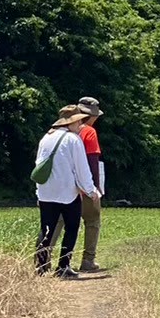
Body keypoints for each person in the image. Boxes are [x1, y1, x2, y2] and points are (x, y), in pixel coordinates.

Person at [34, 105, 100, 278]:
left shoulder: (46, 137)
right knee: (71, 227)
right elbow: (81, 168)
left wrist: (38, 191)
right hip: (67, 193)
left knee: (47, 229)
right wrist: (90, 190)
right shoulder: (73, 139)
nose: (80, 125)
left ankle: (40, 267)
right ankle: (63, 267)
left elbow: (39, 166)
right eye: (78, 121)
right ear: (71, 122)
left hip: (46, 191)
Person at [50, 96, 107, 272]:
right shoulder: (89, 132)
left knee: (57, 223)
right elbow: (92, 162)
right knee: (92, 221)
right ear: (90, 116)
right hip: (83, 186)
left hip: (62, 185)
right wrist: (95, 189)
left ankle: (43, 259)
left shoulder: (59, 132)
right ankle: (88, 260)